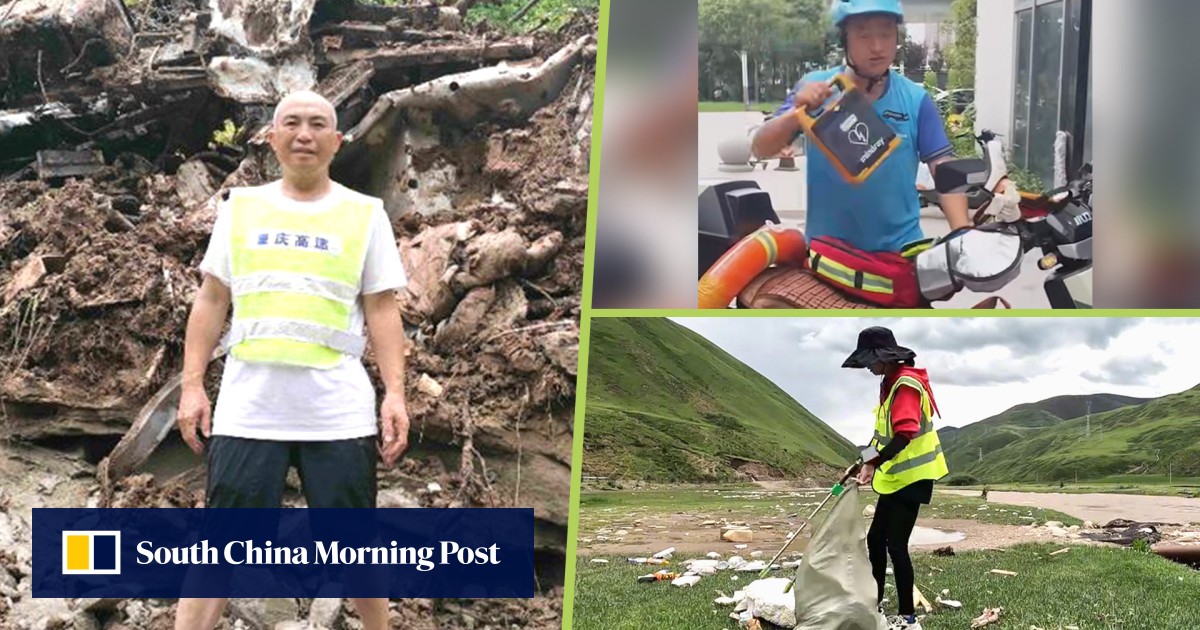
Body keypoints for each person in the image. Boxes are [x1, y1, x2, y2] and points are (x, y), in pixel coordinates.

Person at [173, 90, 410, 630]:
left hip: (336, 410)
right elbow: (212, 299)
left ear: (337, 140)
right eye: (293, 123)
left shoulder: (365, 214)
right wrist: (192, 386)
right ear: (272, 137)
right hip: (249, 408)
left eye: (318, 124)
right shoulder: (242, 209)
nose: (305, 134)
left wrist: (395, 392)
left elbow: (382, 308)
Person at [751, 0, 970, 254]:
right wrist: (796, 114)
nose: (877, 47)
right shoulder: (813, 88)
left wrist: (962, 234)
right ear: (845, 39)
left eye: (886, 34)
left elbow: (944, 171)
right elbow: (760, 148)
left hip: (899, 258)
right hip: (828, 258)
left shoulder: (915, 99)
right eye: (864, 34)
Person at [842, 326, 949, 630]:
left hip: (913, 478)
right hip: (897, 479)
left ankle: (908, 619)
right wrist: (859, 463)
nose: (867, 368)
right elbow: (880, 436)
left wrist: (874, 463)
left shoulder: (905, 386)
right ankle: (874, 604)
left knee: (896, 545)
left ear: (884, 358)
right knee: (876, 539)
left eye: (869, 361)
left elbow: (904, 433)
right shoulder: (889, 384)